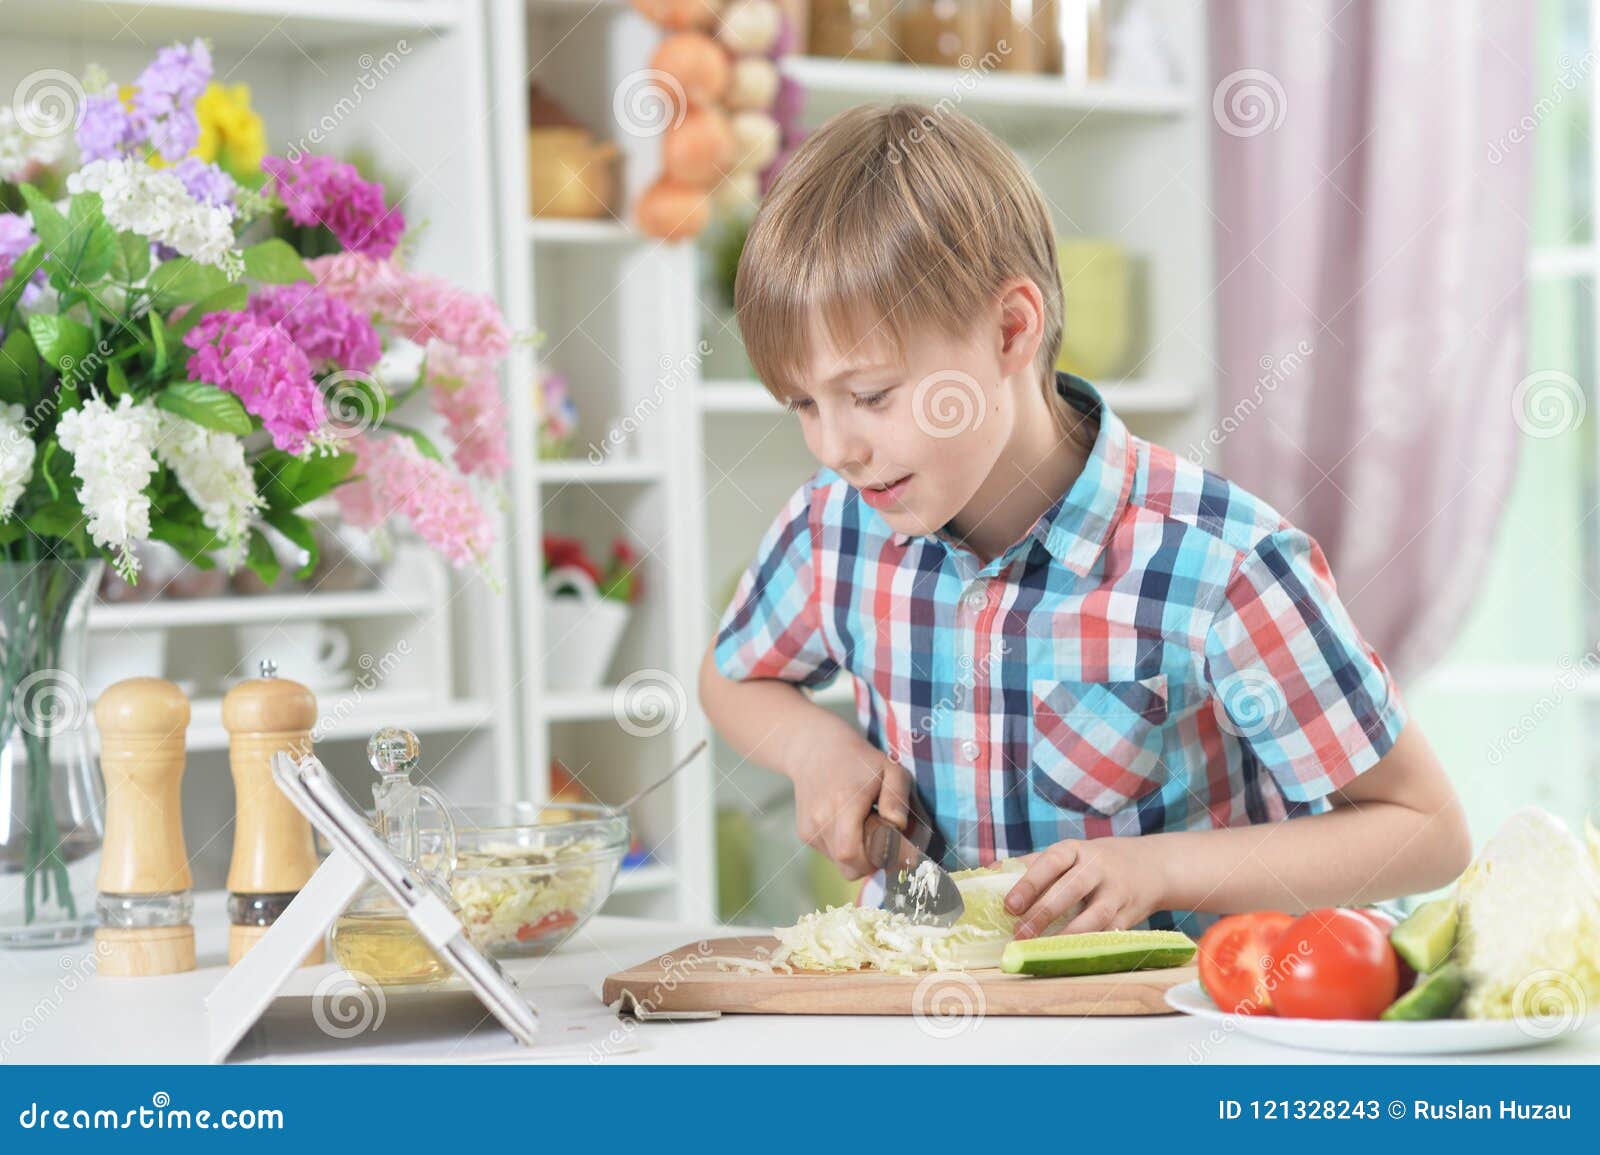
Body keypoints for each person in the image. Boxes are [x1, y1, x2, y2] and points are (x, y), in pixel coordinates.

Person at [698, 103, 1471, 937]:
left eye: (872, 395)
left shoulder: (1220, 563)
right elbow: (733, 673)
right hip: (949, 1024)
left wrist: (1164, 868)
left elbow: (1427, 831)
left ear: (1009, 330)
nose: (836, 445)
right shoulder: (835, 528)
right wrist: (815, 750)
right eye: (804, 405)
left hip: (1176, 1038)